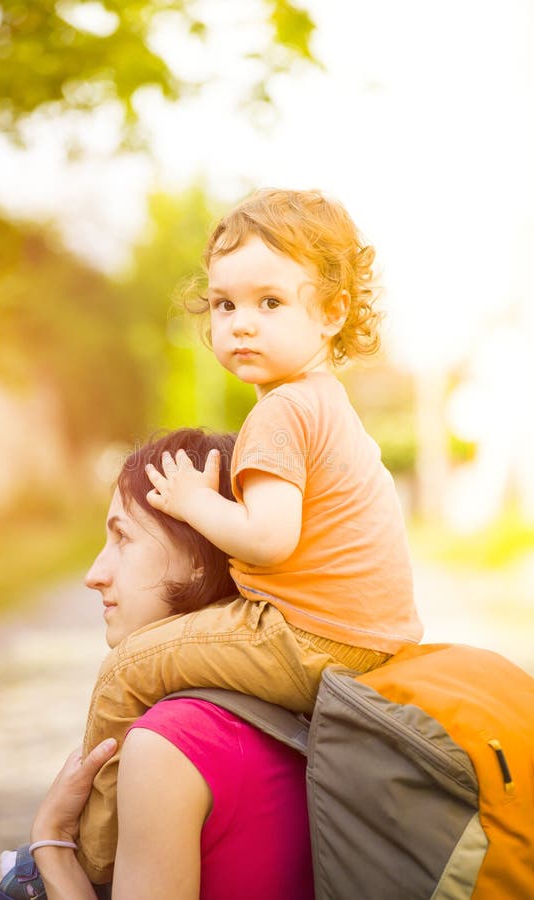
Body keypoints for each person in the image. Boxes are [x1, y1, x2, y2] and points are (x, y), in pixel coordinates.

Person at [77, 188, 424, 885]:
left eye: (270, 303)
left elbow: (268, 540)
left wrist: (192, 501)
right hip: (368, 637)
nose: (241, 324)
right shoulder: (325, 403)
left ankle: (83, 858)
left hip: (305, 634)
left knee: (128, 666)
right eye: (225, 305)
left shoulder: (282, 412)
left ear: (331, 313)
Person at [0, 428, 314, 900]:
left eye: (123, 537)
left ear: (200, 555)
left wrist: (53, 845)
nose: (94, 575)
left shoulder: (170, 744)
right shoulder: (283, 712)